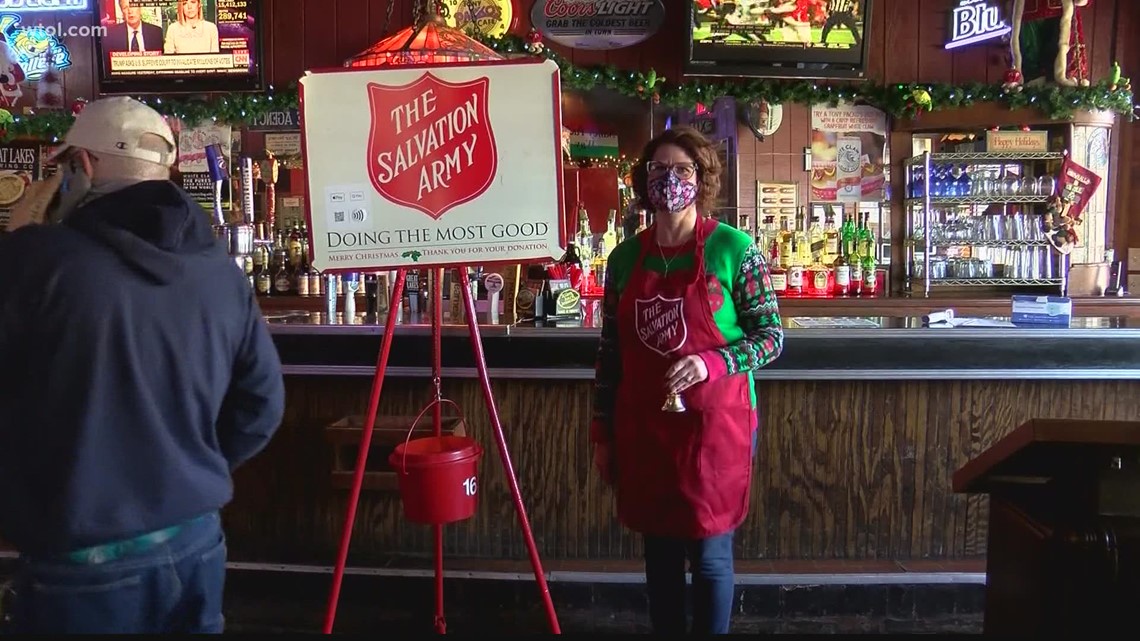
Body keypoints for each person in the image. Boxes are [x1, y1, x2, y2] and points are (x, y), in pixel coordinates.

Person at [0, 96, 285, 634]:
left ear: (83, 165)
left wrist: (16, 241)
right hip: (196, 539)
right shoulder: (220, 272)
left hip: (82, 554)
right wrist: (187, 469)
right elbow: (262, 405)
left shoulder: (35, 261)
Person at [591, 126, 784, 634]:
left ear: (701, 178)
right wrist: (602, 434)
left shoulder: (735, 249)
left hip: (715, 426)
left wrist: (710, 364)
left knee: (710, 555)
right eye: (658, 170)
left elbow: (770, 337)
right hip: (645, 426)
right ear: (643, 180)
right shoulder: (623, 259)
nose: (669, 180)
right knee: (658, 556)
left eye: (682, 170)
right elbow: (609, 355)